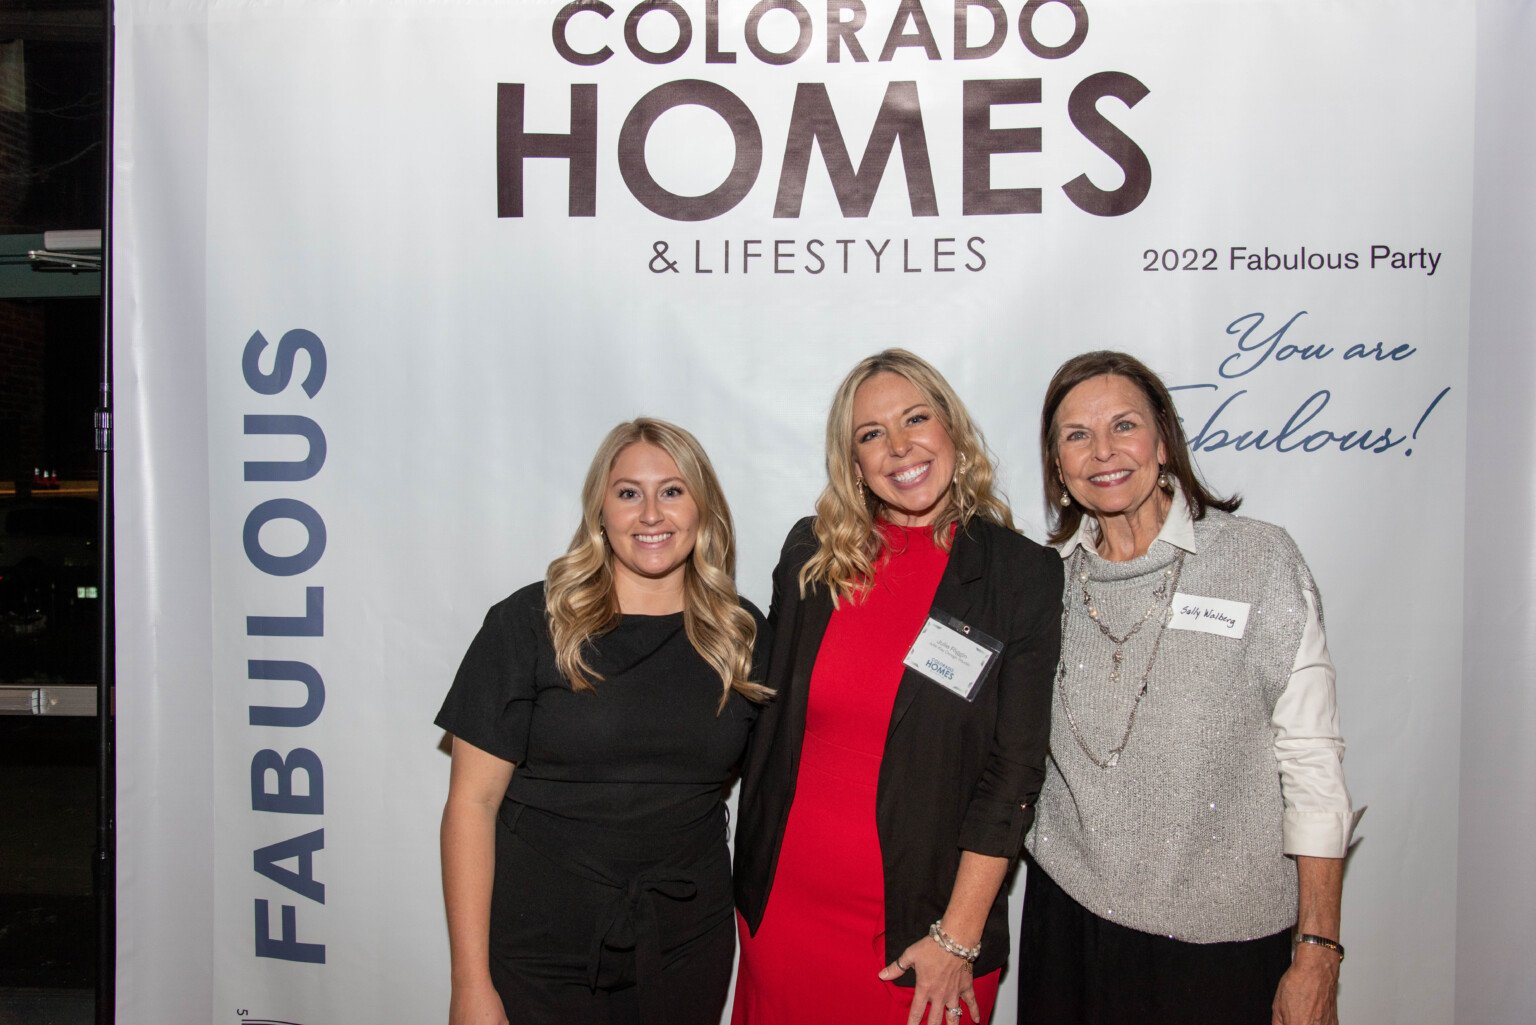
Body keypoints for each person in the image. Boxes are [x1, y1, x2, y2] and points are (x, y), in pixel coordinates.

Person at [1020, 351, 1355, 1025]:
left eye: (1124, 425)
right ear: (1057, 464)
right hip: (1069, 930)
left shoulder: (1259, 561)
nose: (1103, 451)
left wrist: (1317, 950)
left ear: (1164, 439)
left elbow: (1313, 763)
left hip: (1223, 946)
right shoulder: (1039, 583)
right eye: (1076, 435)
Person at [732, 349, 1062, 1025]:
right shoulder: (812, 554)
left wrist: (958, 935)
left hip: (927, 933)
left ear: (952, 429)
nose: (900, 446)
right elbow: (765, 713)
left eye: (916, 418)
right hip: (786, 908)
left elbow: (1016, 770)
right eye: (871, 433)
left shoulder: (1018, 574)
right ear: (852, 461)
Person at [436, 418, 771, 1025]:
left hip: (686, 947)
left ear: (704, 508)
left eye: (672, 490)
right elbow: (470, 806)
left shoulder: (741, 635)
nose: (650, 513)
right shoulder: (528, 624)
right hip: (539, 947)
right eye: (627, 492)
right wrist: (469, 985)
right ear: (600, 509)